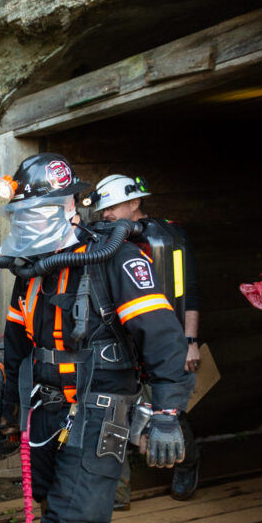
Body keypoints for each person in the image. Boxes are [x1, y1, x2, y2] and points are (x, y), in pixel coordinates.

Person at [0, 154, 190, 523]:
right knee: (51, 514)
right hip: (46, 406)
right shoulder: (31, 272)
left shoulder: (117, 259)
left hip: (103, 406)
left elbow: (163, 336)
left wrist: (168, 410)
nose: (28, 226)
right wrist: (11, 405)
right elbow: (17, 342)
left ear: (68, 207)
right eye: (22, 216)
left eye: (37, 213)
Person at [89, 174, 202, 502]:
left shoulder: (166, 237)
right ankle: (116, 491)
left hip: (161, 340)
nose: (106, 214)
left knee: (169, 411)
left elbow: (188, 292)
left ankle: (186, 464)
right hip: (120, 345)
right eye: (102, 209)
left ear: (135, 202)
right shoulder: (103, 242)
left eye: (112, 206)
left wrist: (190, 341)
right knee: (115, 413)